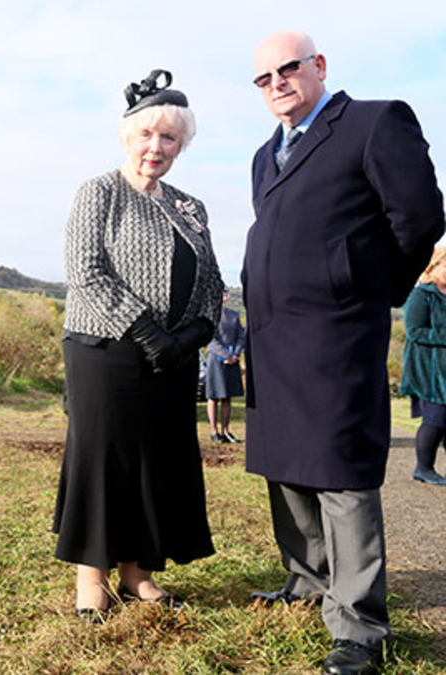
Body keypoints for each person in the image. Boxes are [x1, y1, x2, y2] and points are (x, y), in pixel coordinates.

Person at [242, 31, 444, 674]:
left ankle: (358, 626)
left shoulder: (374, 121)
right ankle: (306, 578)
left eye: (288, 69)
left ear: (319, 66)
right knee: (285, 462)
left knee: (339, 470)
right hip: (272, 335)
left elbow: (418, 219)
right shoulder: (261, 156)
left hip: (336, 332)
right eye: (263, 77)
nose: (276, 82)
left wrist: (364, 286)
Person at [53, 69, 225, 619]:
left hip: (173, 357)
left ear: (181, 144)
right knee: (104, 461)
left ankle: (139, 574)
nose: (157, 147)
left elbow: (214, 283)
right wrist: (146, 331)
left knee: (158, 463)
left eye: (169, 138)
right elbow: (87, 271)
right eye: (148, 135)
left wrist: (194, 334)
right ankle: (92, 579)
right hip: (106, 351)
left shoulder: (191, 207)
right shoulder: (99, 192)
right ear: (129, 136)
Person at [399, 247, 446, 486]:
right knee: (435, 420)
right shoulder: (422, 295)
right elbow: (414, 331)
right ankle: (423, 469)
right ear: (433, 267)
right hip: (428, 371)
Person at [206, 290, 245, 443]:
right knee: (214, 396)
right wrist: (226, 355)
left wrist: (235, 354)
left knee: (227, 397)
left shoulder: (234, 315)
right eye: (221, 294)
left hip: (232, 359)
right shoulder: (209, 315)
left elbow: (241, 336)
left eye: (226, 294)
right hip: (216, 359)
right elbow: (210, 339)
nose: (224, 297)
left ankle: (226, 431)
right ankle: (214, 432)